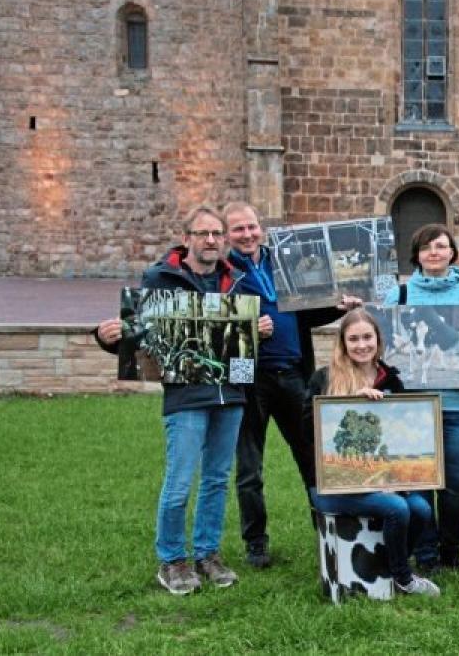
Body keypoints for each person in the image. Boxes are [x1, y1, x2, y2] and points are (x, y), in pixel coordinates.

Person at [94, 207, 246, 595]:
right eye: (202, 233)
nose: (210, 240)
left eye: (217, 234)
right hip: (186, 396)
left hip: (230, 393)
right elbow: (142, 339)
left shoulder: (235, 280)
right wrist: (108, 338)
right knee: (179, 482)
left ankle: (207, 554)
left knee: (216, 480)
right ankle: (172, 560)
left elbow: (241, 337)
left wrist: (259, 330)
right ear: (186, 238)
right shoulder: (160, 278)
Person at [221, 202, 361, 569]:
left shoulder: (284, 260)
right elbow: (215, 330)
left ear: (261, 228)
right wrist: (248, 329)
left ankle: (327, 530)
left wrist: (339, 308)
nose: (247, 234)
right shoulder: (222, 274)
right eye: (238, 229)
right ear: (227, 235)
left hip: (294, 374)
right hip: (249, 379)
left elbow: (306, 309)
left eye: (251, 227)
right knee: (250, 467)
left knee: (312, 457)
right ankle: (256, 543)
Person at [302, 309, 440, 596]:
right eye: (353, 339)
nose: (362, 345)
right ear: (343, 343)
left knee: (421, 509)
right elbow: (307, 431)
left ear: (378, 339)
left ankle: (387, 567)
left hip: (384, 479)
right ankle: (403, 578)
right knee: (397, 508)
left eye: (367, 337)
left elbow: (402, 436)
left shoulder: (392, 380)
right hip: (333, 485)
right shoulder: (324, 379)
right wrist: (350, 403)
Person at [383, 224, 459, 570]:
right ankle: (426, 554)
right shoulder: (400, 295)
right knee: (419, 481)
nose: (434, 252)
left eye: (441, 246)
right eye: (427, 247)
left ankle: (451, 550)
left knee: (458, 482)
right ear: (417, 255)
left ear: (452, 252)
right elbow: (386, 344)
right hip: (414, 406)